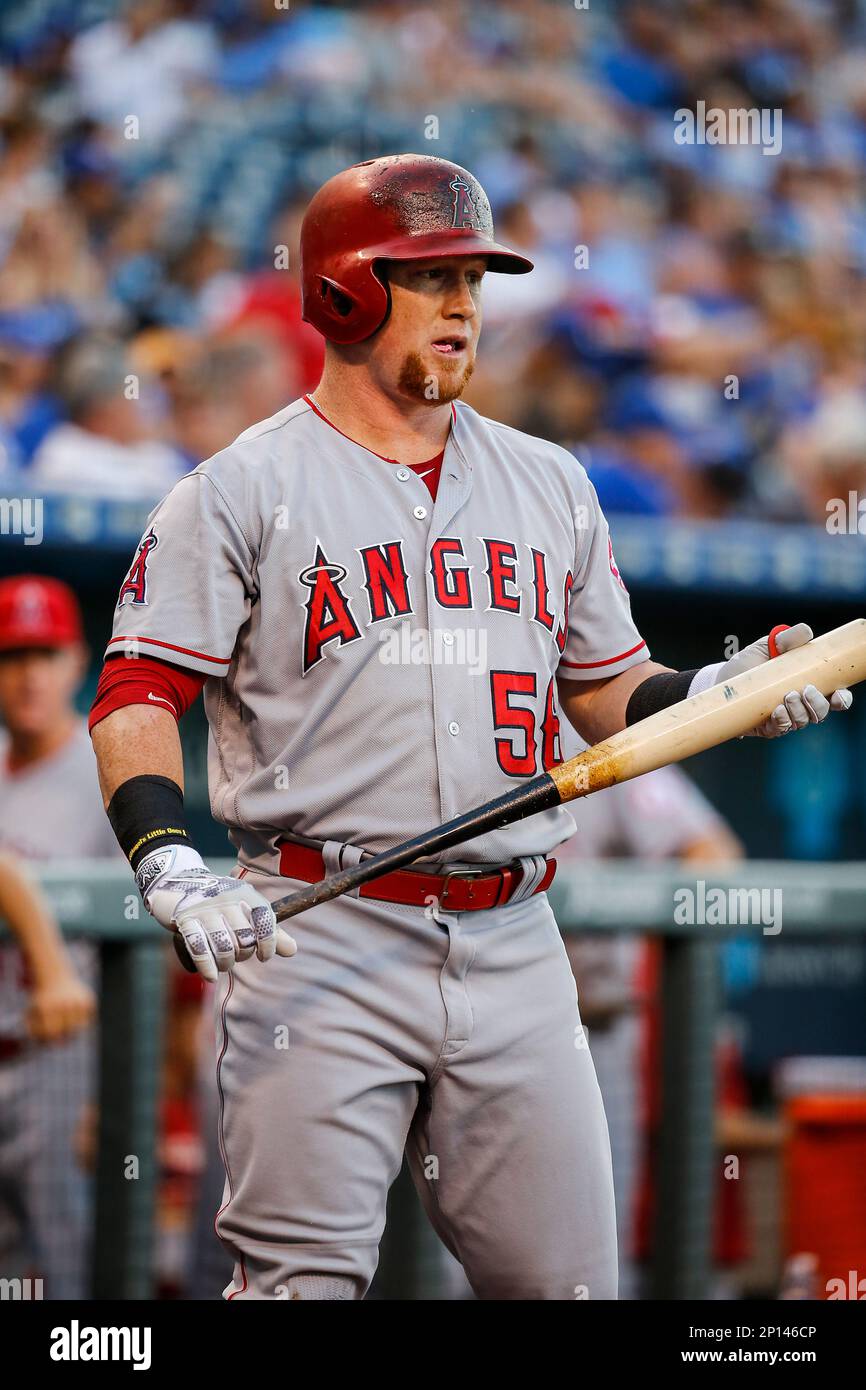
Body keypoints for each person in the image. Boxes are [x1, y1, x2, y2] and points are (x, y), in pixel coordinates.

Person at [88, 154, 852, 1301]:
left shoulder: (548, 482)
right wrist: (166, 860)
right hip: (323, 935)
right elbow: (136, 695)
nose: (462, 305)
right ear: (344, 290)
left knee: (571, 1288)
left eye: (474, 280)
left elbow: (608, 686)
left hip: (513, 939)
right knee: (299, 1286)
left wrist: (718, 695)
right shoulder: (239, 491)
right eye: (429, 275)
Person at [0, 574, 118, 1298]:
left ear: (77, 660)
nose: (30, 674)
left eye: (45, 653)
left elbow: (156, 952)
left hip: (68, 1059)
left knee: (74, 1273)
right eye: (13, 655)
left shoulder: (109, 772)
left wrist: (113, 1098)